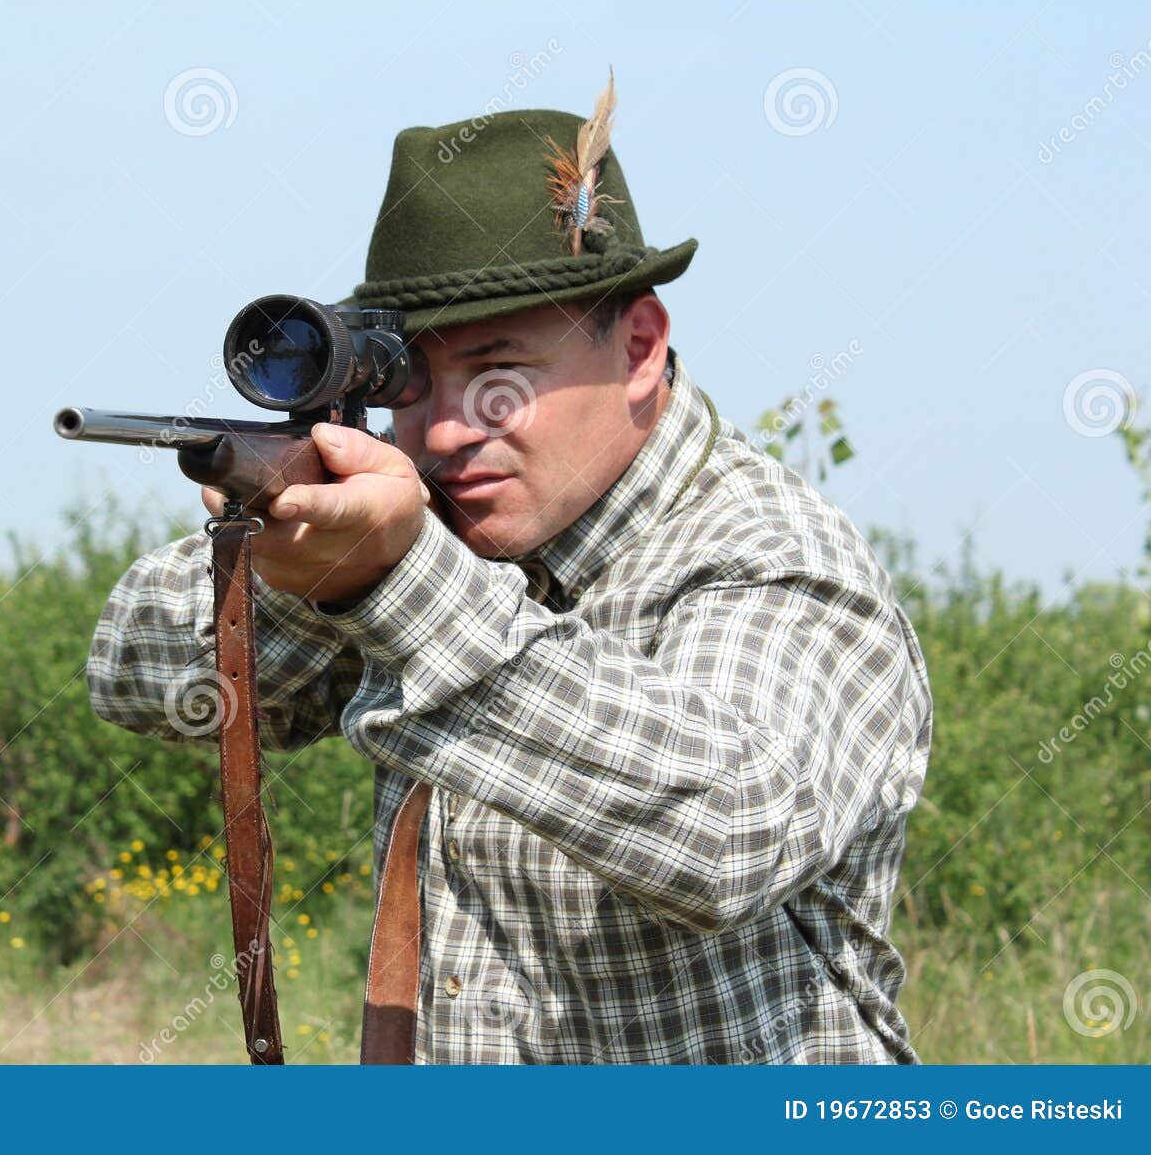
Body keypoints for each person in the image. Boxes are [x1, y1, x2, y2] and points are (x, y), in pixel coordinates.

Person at [86, 76, 933, 1064]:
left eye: (499, 371)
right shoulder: (436, 526)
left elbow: (729, 836)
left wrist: (397, 586)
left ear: (641, 346)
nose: (446, 427)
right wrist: (313, 578)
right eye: (412, 381)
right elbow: (132, 672)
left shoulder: (776, 558)